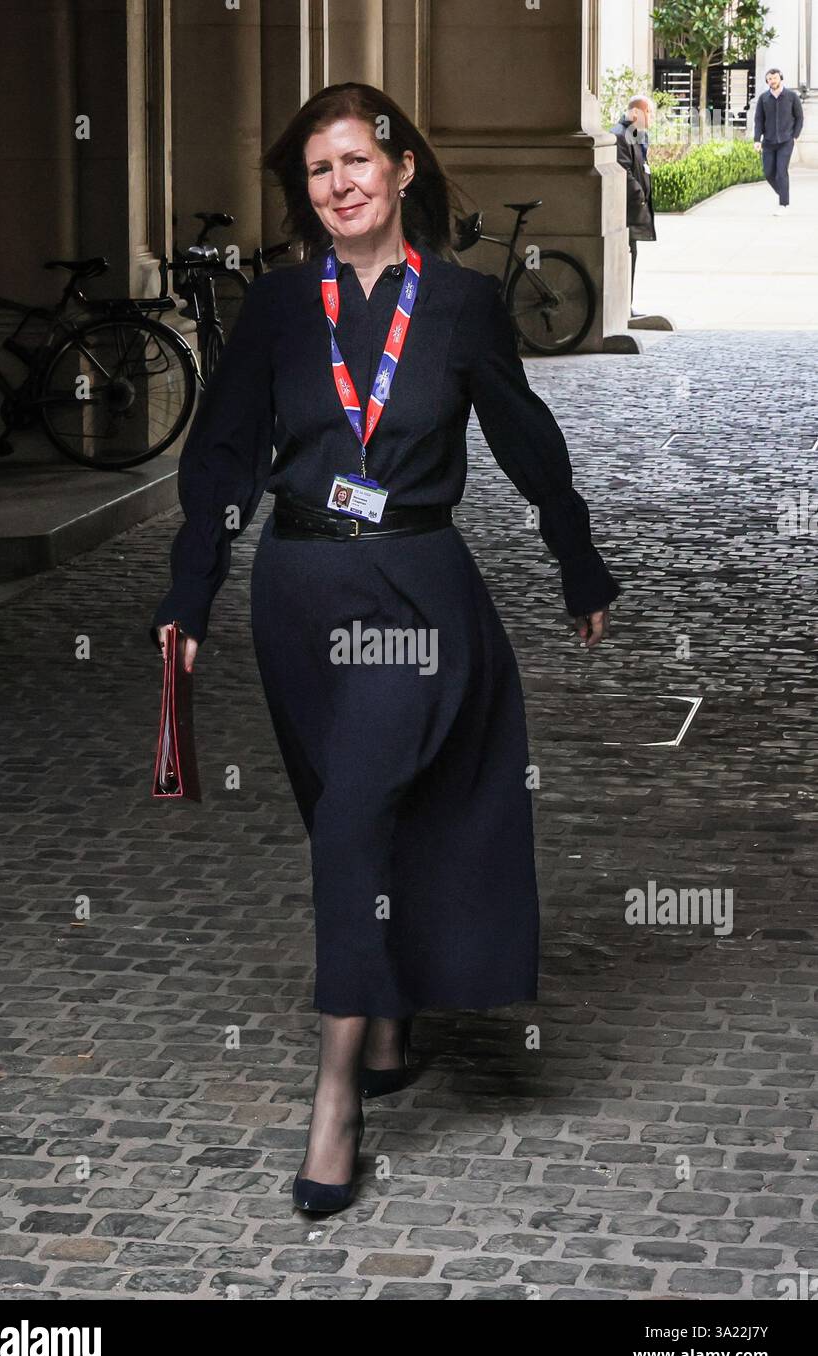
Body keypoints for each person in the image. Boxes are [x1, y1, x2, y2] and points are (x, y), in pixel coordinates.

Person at [150, 82, 621, 1215]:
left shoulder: (456, 305)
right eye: (318, 171)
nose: (341, 184)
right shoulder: (276, 307)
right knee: (345, 818)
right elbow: (219, 458)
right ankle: (391, 1011)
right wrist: (191, 592)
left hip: (412, 596)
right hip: (299, 593)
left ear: (403, 167)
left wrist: (576, 556)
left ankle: (334, 1099)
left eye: (358, 160)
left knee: (356, 815)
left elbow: (522, 433)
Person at [611, 96, 656, 315]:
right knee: (628, 255)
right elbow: (623, 172)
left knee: (632, 255)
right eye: (649, 113)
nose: (651, 118)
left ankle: (626, 305)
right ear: (636, 113)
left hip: (633, 208)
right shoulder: (620, 135)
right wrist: (639, 194)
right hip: (627, 210)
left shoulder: (634, 135)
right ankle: (623, 307)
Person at [754, 68, 804, 215]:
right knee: (768, 173)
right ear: (767, 81)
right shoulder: (763, 98)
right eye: (769, 79)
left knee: (781, 171)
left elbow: (799, 117)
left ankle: (783, 204)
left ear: (780, 78)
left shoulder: (791, 96)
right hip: (768, 141)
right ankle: (783, 194)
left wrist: (795, 135)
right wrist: (757, 139)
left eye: (775, 78)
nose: (772, 81)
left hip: (786, 141)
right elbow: (759, 120)